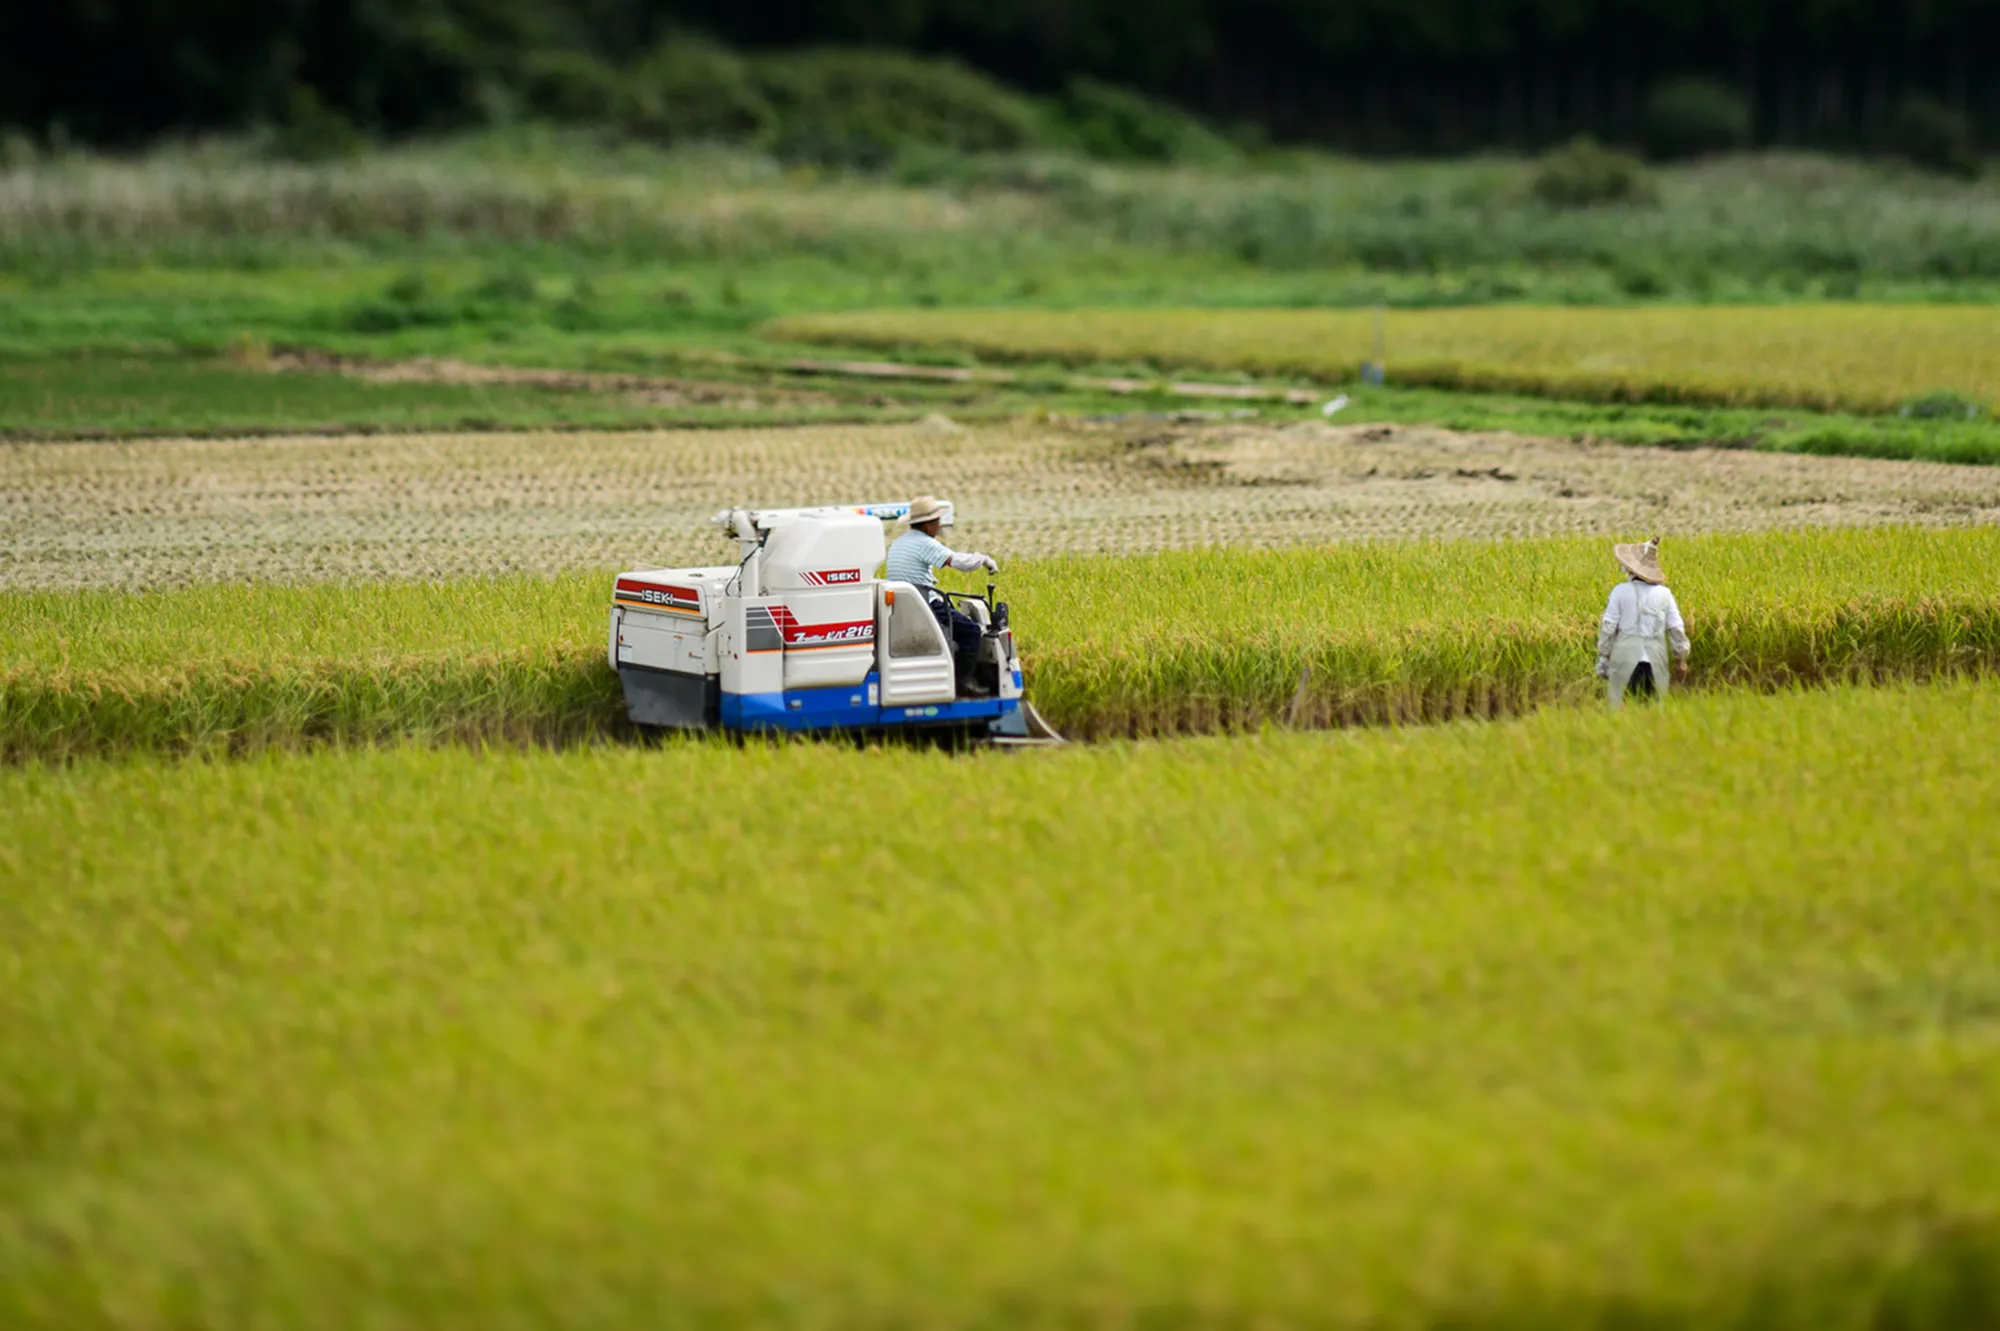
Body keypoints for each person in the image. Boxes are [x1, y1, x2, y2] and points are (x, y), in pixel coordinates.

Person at [884, 496, 1000, 693]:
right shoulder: (925, 543)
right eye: (936, 521)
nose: (939, 526)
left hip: (905, 604)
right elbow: (958, 562)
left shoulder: (899, 543)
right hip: (924, 603)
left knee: (953, 624)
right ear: (926, 525)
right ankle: (961, 683)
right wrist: (983, 559)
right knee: (971, 631)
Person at [1596, 537, 1690, 709]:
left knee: (1630, 710)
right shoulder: (1665, 594)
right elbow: (1676, 629)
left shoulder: (1620, 591)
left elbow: (1608, 628)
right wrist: (1680, 659)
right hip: (1657, 663)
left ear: (1631, 569)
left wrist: (1605, 656)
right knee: (1654, 712)